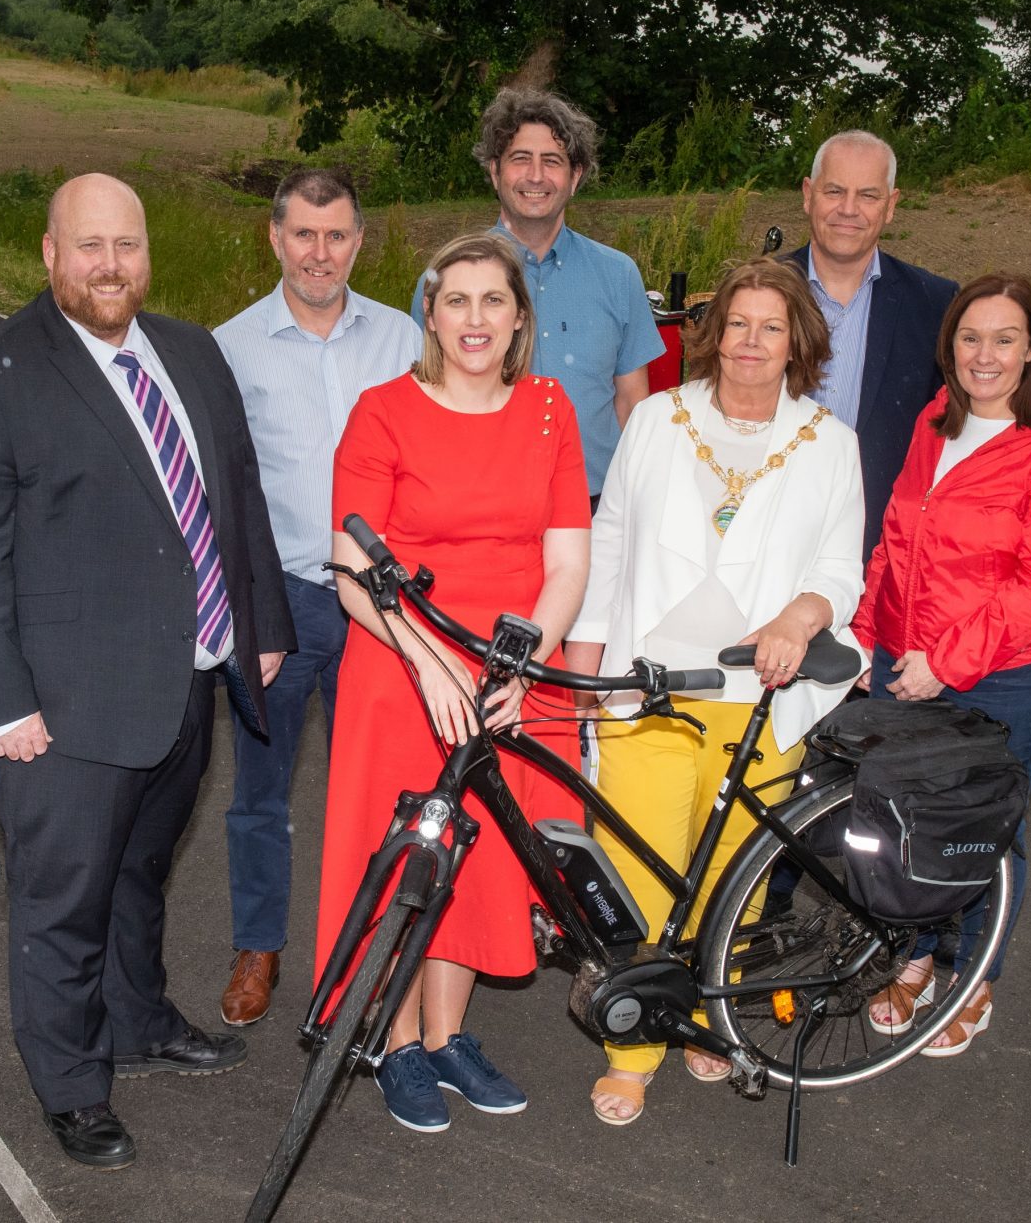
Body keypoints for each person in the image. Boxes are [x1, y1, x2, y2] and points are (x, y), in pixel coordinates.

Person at [0, 173, 294, 1171]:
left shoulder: (191, 351)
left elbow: (235, 493)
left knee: (140, 874)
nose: (110, 264)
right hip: (63, 708)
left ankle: (137, 1018)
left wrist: (257, 620)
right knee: (62, 902)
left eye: (125, 244)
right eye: (89, 246)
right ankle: (73, 1084)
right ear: (49, 254)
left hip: (186, 679)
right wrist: (1, 705)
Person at [564, 257, 865, 1125]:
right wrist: (589, 656)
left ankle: (706, 1017)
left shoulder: (830, 442)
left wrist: (800, 618)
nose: (751, 342)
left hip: (760, 697)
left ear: (798, 341)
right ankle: (632, 1048)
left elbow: (840, 568)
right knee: (637, 866)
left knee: (726, 878)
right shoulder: (659, 418)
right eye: (738, 323)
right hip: (647, 686)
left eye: (772, 326)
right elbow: (611, 533)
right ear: (714, 332)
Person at [322, 231, 591, 1133]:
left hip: (506, 673)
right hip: (402, 664)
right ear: (429, 313)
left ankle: (446, 1036)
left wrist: (524, 663)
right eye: (457, 300)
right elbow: (350, 566)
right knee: (406, 858)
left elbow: (567, 561)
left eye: (494, 301)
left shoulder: (552, 409)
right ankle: (396, 1045)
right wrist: (430, 659)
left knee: (479, 855)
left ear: (520, 317)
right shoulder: (383, 410)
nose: (475, 319)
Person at [850, 272, 1031, 1056]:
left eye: (1003, 339)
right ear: (949, 346)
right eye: (969, 337)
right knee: (912, 824)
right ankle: (918, 955)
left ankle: (975, 975)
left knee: (986, 833)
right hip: (906, 658)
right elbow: (896, 537)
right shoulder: (937, 419)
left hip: (1000, 676)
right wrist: (868, 632)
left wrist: (947, 661)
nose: (983, 355)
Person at [211, 169, 422, 1028]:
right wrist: (244, 609)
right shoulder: (230, 347)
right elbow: (221, 491)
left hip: (382, 606)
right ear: (275, 239)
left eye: (336, 236)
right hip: (283, 604)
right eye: (304, 234)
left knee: (378, 788)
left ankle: (368, 948)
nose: (319, 253)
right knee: (260, 790)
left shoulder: (406, 338)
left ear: (359, 242)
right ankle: (259, 944)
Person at [411, 86, 662, 505]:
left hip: (599, 506)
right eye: (520, 159)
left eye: (553, 161)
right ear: (494, 171)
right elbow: (426, 397)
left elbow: (633, 402)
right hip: (482, 505)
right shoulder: (446, 280)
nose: (535, 176)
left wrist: (634, 503)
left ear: (575, 176)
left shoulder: (618, 275)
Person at [785, 130, 958, 561]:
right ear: (808, 195)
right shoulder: (757, 291)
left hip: (883, 545)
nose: (848, 209)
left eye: (867, 195)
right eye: (834, 191)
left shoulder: (935, 303)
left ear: (891, 205)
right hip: (770, 533)